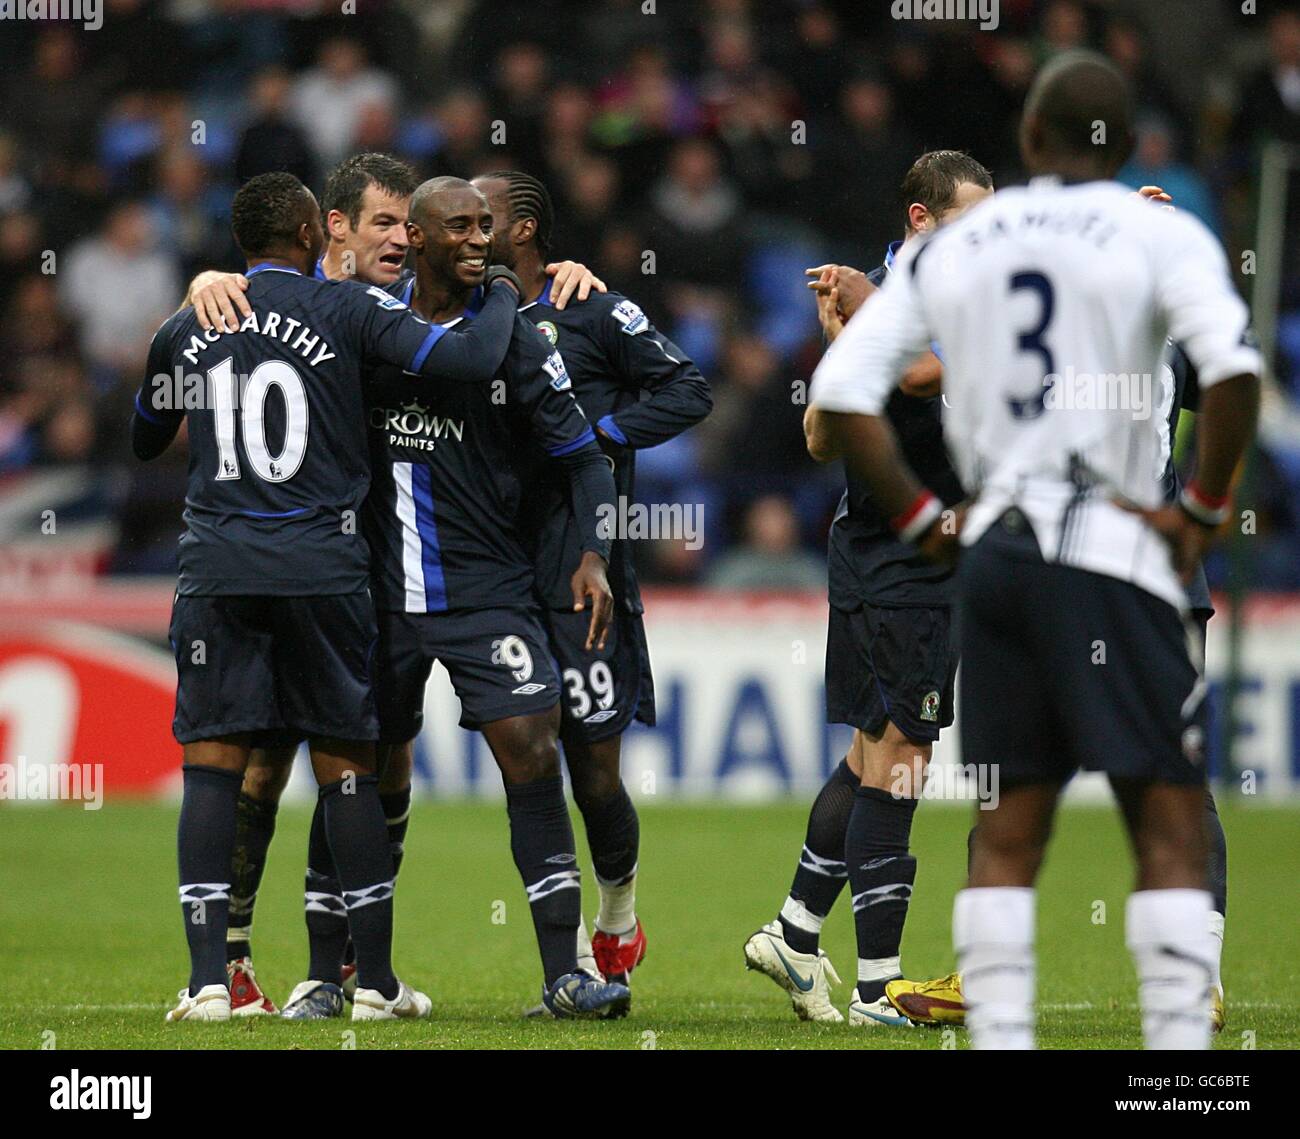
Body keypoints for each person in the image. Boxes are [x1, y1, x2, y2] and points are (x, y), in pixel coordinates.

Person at [809, 51, 1260, 1050]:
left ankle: (994, 1017)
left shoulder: (966, 244)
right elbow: (1232, 376)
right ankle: (1187, 1013)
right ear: (1131, 146)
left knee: (1007, 806)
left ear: (1027, 144)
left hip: (1002, 555)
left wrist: (924, 519)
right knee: (1167, 795)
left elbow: (849, 394)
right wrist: (1204, 505)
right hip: (1128, 550)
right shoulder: (1159, 235)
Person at [185, 153, 603, 1016]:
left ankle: (564, 970)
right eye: (461, 227)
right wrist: (210, 282)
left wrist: (593, 550)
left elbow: (582, 454)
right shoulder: (356, 322)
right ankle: (326, 975)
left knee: (532, 749)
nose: (479, 241)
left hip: (486, 589)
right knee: (351, 773)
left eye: (488, 228)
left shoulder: (517, 330)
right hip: (372, 594)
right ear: (411, 237)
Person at [743, 150, 992, 1026]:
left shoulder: (907, 299)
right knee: (903, 761)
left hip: (874, 553)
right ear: (921, 222)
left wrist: (853, 328)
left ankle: (795, 931)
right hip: (907, 557)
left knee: (867, 752)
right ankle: (880, 985)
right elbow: (829, 431)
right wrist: (847, 337)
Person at [472, 170, 712, 1007]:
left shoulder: (597, 311)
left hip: (586, 570)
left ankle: (618, 913)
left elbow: (689, 388)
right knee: (528, 762)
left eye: (483, 218)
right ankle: (569, 962)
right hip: (495, 577)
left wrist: (599, 434)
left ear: (527, 229)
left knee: (595, 772)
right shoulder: (463, 317)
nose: (469, 230)